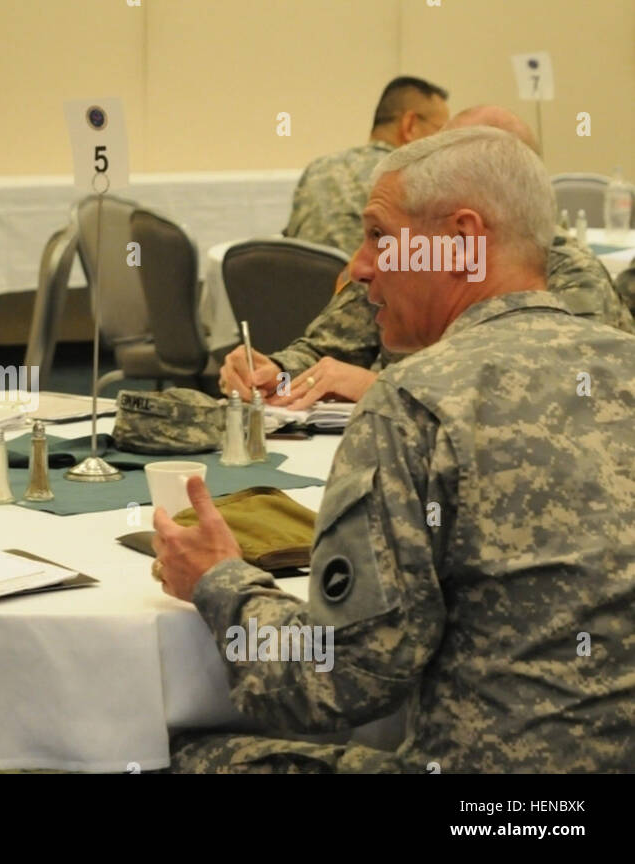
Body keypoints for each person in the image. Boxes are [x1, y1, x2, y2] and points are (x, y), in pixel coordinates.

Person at [157, 126, 635, 773]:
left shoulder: (416, 402)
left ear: (463, 242)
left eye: (380, 235)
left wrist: (221, 581)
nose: (358, 264)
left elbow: (335, 681)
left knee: (153, 751)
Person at [222, 105, 635, 410]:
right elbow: (325, 350)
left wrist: (377, 386)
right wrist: (273, 372)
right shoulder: (405, 259)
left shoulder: (565, 275)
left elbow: (566, 406)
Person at [284, 76, 449, 254]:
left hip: (301, 280)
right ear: (410, 126)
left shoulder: (318, 168)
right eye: (442, 133)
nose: (443, 145)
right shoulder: (409, 179)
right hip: (362, 280)